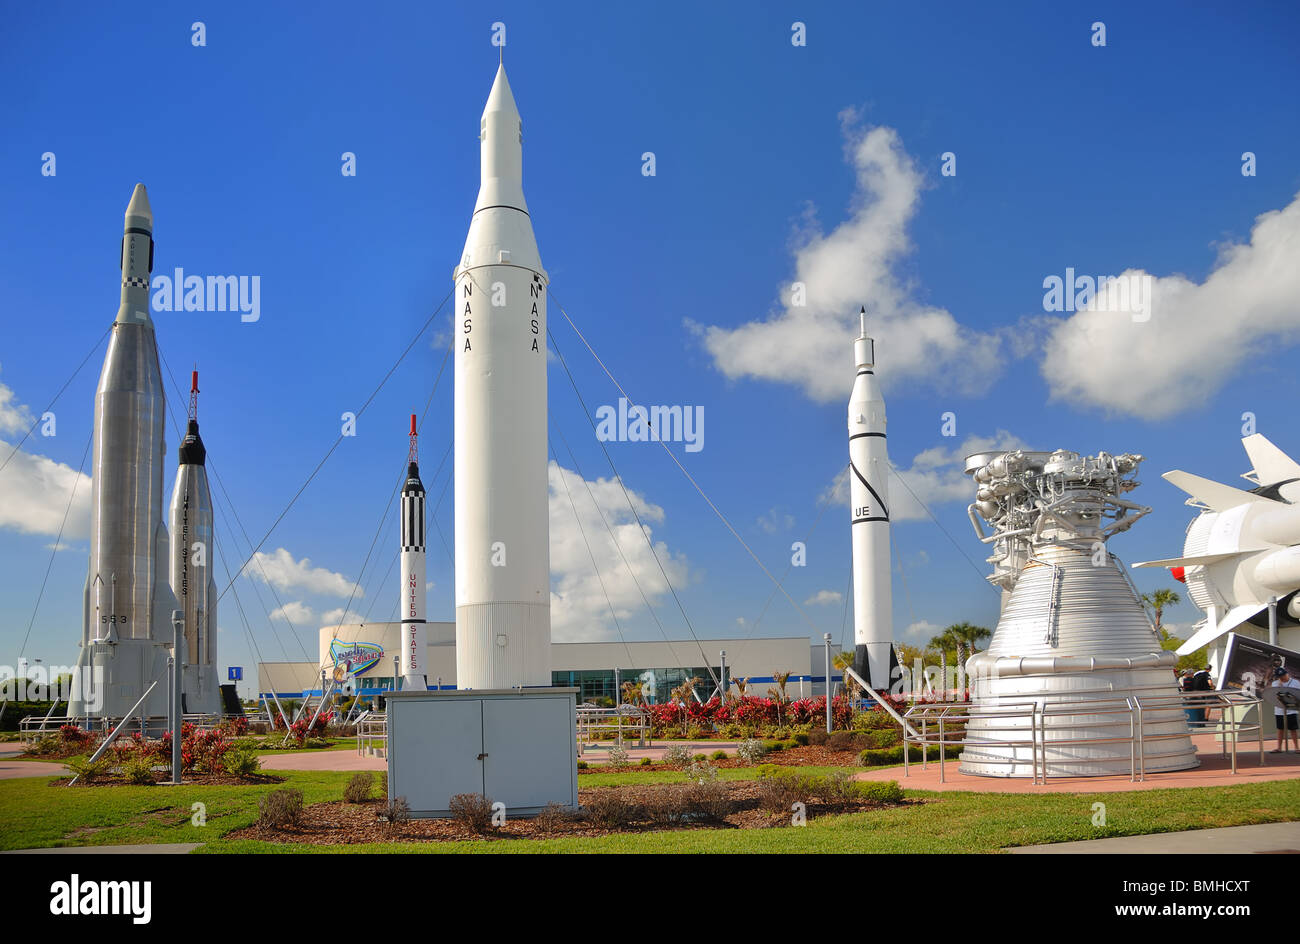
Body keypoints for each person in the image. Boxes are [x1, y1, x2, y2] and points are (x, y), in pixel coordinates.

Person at [1271, 666, 1300, 753]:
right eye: (1279, 677)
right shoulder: (1275, 683)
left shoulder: (1295, 682)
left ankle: (1296, 747)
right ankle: (1279, 747)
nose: (1282, 678)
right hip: (1279, 709)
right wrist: (1280, 687)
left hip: (1291, 709)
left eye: (1283, 675)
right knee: (1280, 728)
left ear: (1286, 674)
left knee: (1293, 728)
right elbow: (1274, 694)